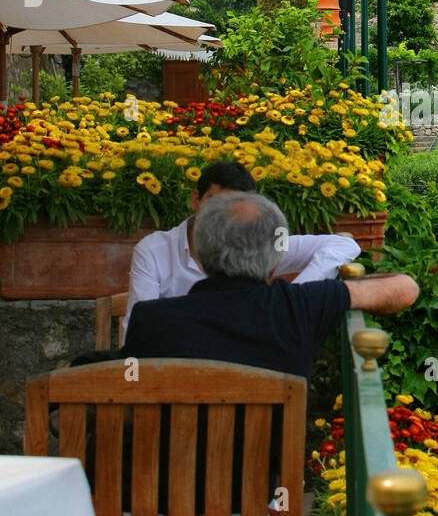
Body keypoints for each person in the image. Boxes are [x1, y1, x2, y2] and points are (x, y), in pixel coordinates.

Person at [123, 191, 418, 381]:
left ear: (201, 249)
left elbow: (125, 388)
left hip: (167, 476)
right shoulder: (300, 308)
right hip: (267, 478)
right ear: (276, 261)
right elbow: (405, 288)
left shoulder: (151, 319)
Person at [121, 160, 360, 337]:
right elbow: (137, 330)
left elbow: (342, 244)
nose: (224, 217)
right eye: (216, 203)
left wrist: (296, 293)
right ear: (196, 200)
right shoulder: (153, 250)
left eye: (237, 207)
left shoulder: (258, 246)